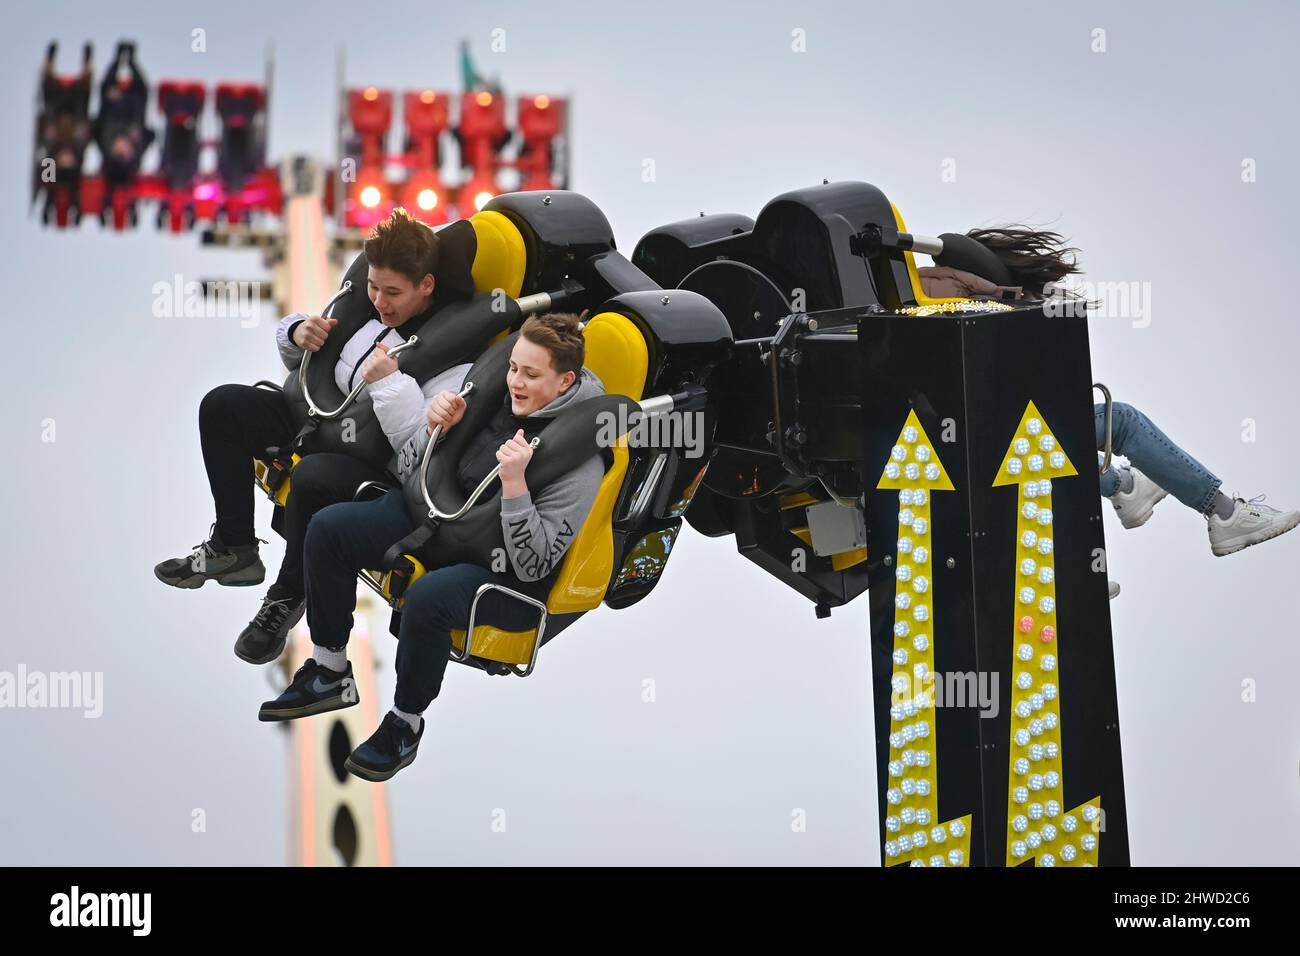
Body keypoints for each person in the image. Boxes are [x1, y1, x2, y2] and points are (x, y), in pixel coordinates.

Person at [258, 312, 608, 783]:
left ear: (566, 380)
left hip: (498, 568)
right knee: (328, 529)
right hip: (436, 519)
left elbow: (533, 564)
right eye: (513, 368)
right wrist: (434, 430)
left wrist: (515, 486)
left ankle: (404, 724)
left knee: (429, 598)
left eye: (530, 374)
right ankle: (329, 671)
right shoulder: (492, 398)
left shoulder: (578, 462)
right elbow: (408, 470)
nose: (515, 383)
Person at [153, 208, 475, 665]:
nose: (380, 300)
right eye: (373, 287)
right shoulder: (367, 311)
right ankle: (235, 546)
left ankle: (285, 599)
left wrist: (388, 383)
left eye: (393, 292)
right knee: (222, 405)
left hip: (368, 461)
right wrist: (295, 333)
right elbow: (307, 368)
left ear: (426, 285)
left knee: (314, 477)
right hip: (312, 423)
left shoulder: (453, 354)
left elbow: (415, 445)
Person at [917, 226, 1300, 565]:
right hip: (977, 442)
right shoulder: (977, 298)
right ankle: (1221, 514)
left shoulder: (928, 290)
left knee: (1055, 439)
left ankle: (1116, 501)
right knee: (1120, 423)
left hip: (950, 441)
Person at [92, 41, 155, 195]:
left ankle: (118, 59)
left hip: (112, 106)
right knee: (141, 92)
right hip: (133, 104)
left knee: (108, 91)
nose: (121, 147)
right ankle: (132, 60)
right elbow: (151, 134)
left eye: (117, 152)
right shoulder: (138, 148)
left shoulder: (104, 143)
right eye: (124, 153)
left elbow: (95, 129)